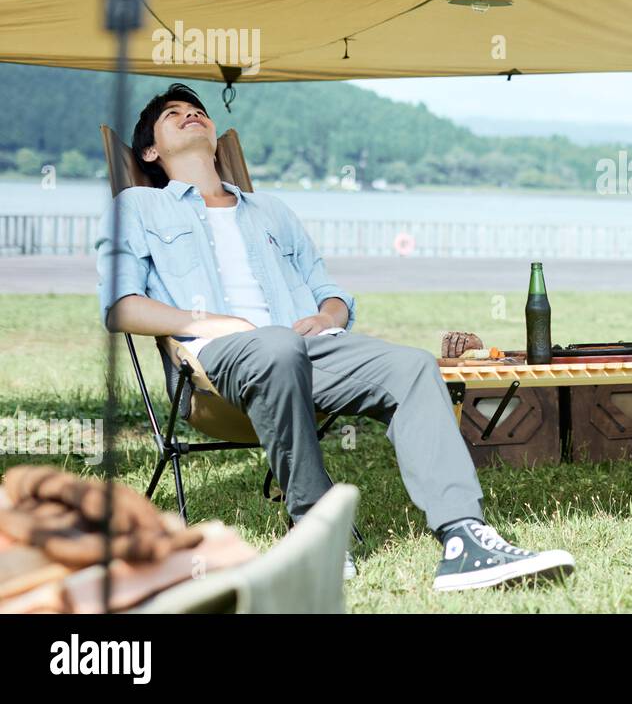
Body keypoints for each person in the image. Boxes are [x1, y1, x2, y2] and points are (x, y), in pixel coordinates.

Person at [95, 83, 575, 590]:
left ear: (216, 136)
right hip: (216, 365)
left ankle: (464, 537)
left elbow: (330, 291)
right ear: (150, 150)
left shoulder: (271, 211)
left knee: (411, 365)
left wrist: (328, 315)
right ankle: (317, 528)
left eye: (199, 111)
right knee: (275, 346)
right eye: (174, 114)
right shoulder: (139, 209)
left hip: (311, 350)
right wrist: (212, 323)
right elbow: (122, 307)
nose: (192, 115)